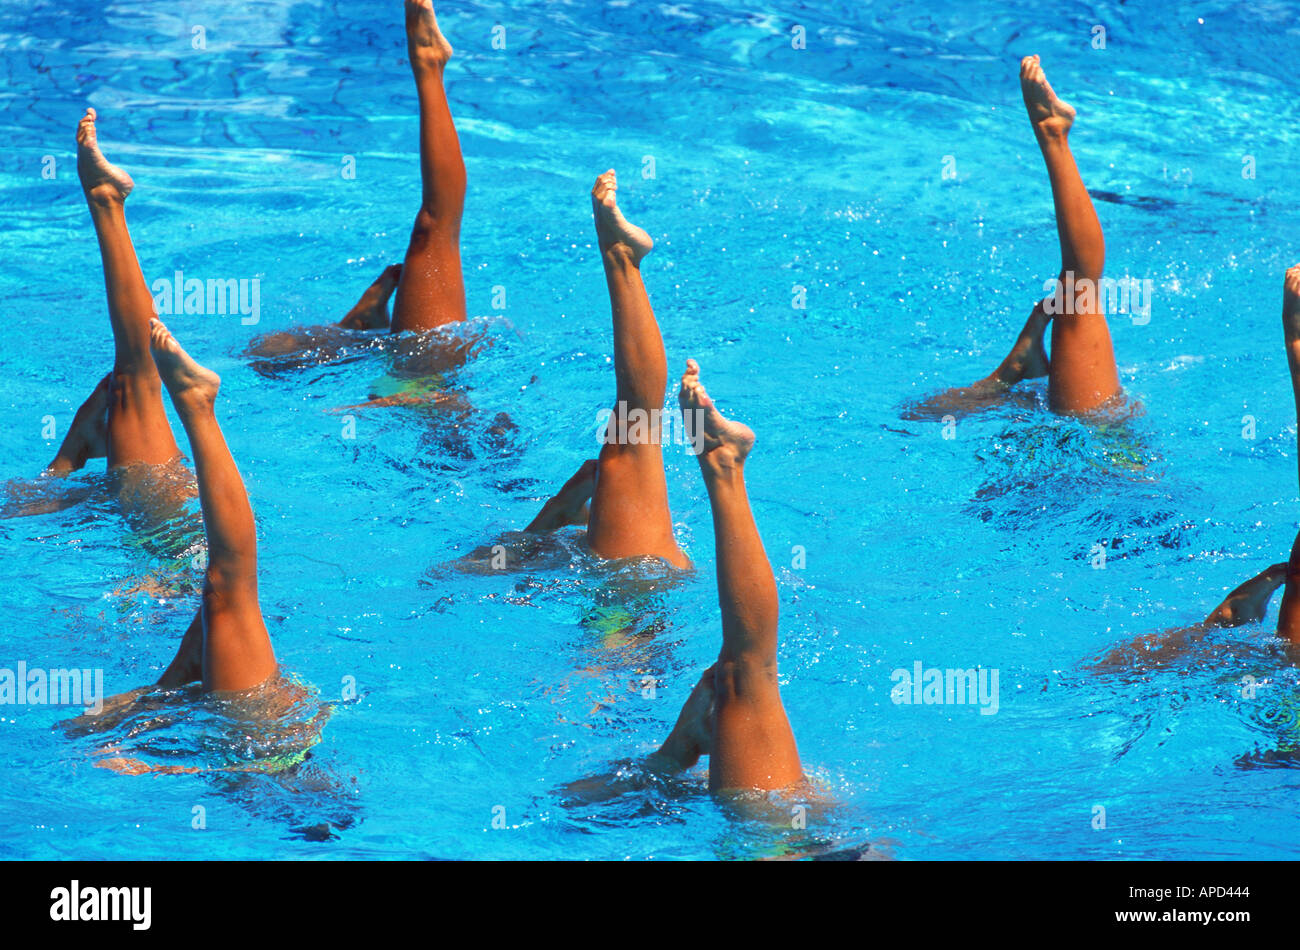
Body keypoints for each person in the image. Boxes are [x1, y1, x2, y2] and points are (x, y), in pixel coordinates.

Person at [245, 0, 469, 382]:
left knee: (266, 356)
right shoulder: (437, 381)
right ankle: (429, 66)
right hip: (422, 380)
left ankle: (354, 331)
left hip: (405, 386)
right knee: (432, 229)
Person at [3, 108, 196, 524]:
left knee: (135, 375)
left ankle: (80, 444)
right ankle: (105, 202)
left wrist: (65, 461)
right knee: (134, 376)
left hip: (161, 529)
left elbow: (20, 506)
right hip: (172, 532)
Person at [493, 170, 691, 570]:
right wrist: (555, 512)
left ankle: (620, 258)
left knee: (629, 436)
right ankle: (620, 258)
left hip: (631, 580)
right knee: (632, 434)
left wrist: (554, 514)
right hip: (637, 581)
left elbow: (451, 574)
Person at [907, 56, 1123, 420]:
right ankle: (1052, 133)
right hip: (1102, 445)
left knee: (1078, 290)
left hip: (1077, 449)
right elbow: (918, 416)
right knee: (1078, 292)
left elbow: (918, 416)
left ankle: (1016, 370)